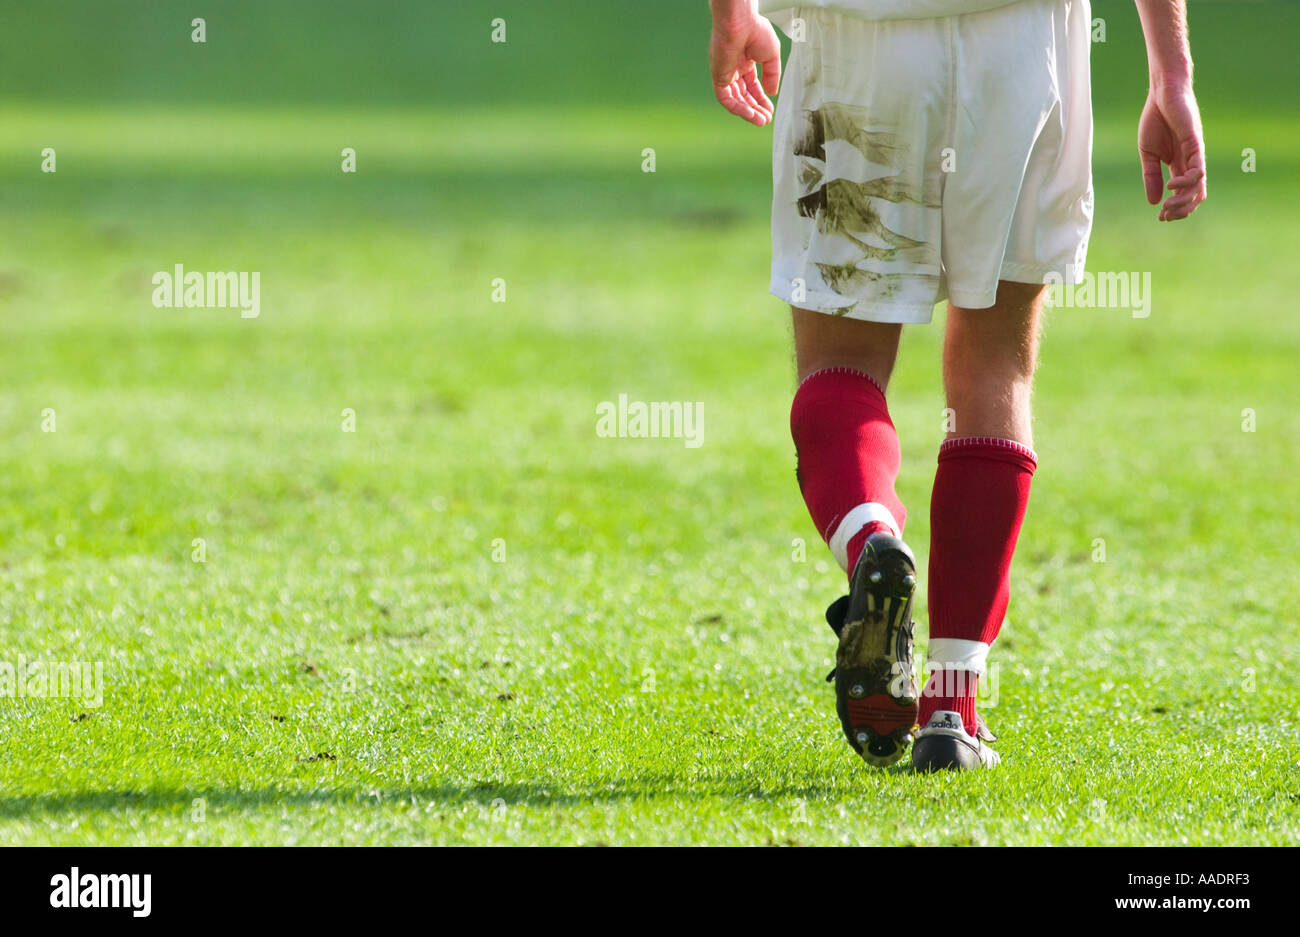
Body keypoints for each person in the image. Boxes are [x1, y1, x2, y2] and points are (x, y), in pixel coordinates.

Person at [707, 0, 1206, 770]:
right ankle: (952, 706)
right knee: (995, 362)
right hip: (1022, 49)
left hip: (859, 47)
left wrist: (732, 11)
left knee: (841, 361)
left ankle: (872, 540)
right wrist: (1171, 69)